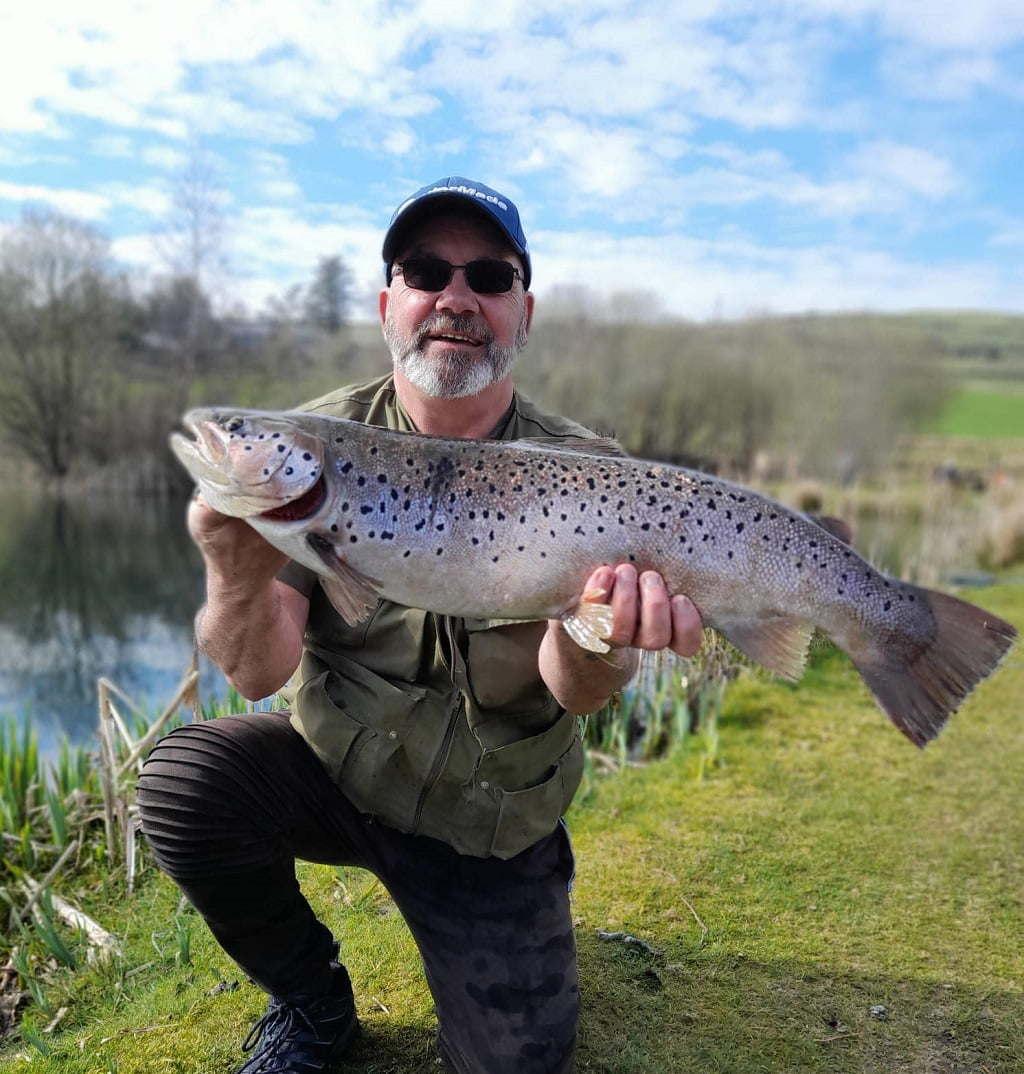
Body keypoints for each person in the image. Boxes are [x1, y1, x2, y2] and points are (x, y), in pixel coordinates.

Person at [137, 176, 705, 1074]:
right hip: (340, 780)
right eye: (426, 271)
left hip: (491, 823)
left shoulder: (587, 476)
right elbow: (254, 673)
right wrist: (234, 579)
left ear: (524, 313)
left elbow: (581, 693)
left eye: (490, 275)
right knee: (184, 782)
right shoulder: (321, 444)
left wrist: (598, 633)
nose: (456, 296)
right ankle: (314, 1005)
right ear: (387, 305)